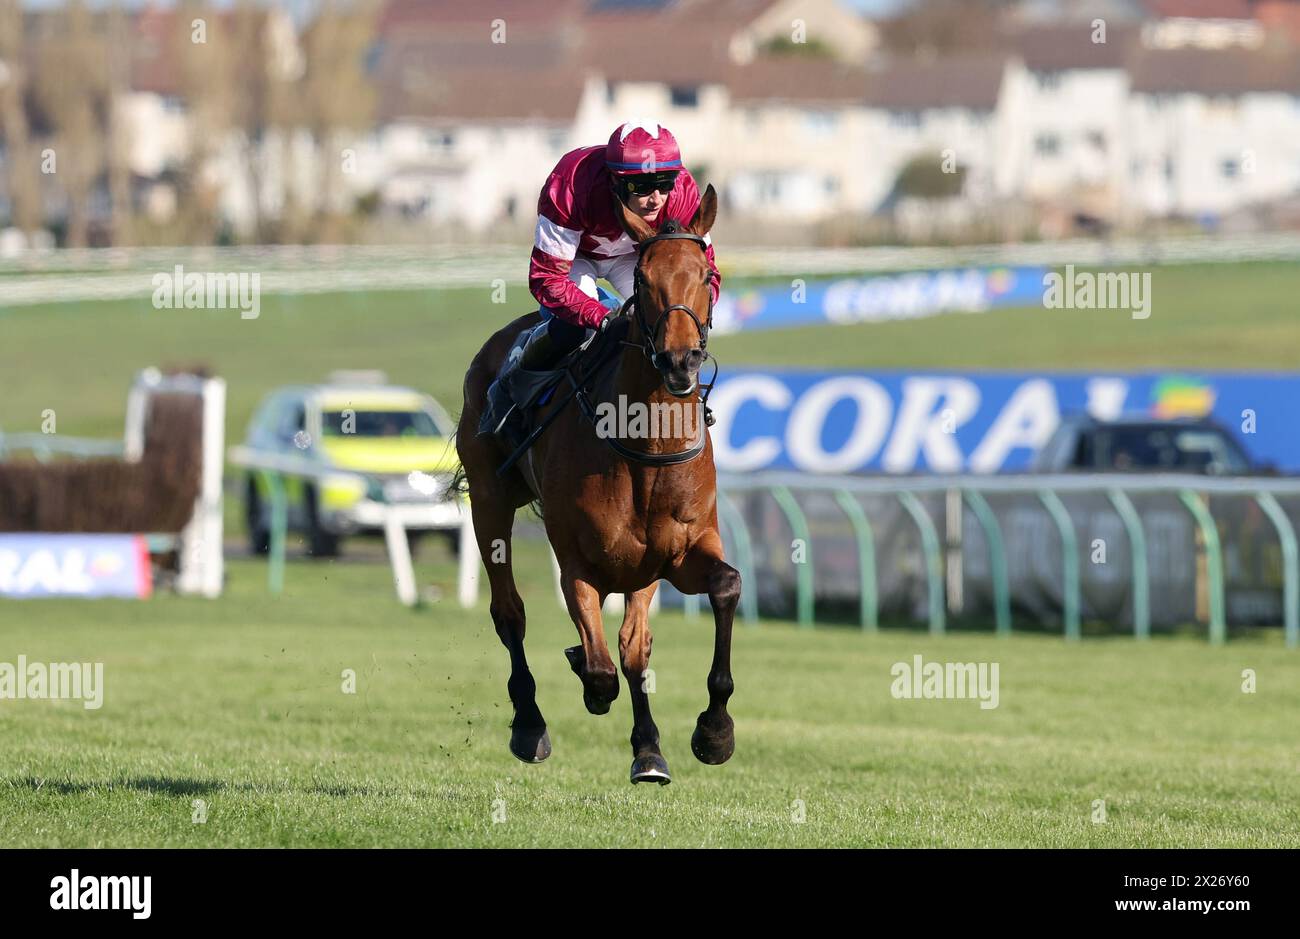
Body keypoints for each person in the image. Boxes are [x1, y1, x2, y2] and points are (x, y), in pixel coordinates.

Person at [480, 121, 721, 436]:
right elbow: (546, 280)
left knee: (667, 320)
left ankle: (685, 402)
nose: (656, 198)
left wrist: (689, 313)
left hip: (634, 258)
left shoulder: (684, 194)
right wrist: (602, 317)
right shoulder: (571, 185)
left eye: (664, 183)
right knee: (578, 329)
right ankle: (513, 385)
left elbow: (707, 274)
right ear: (615, 181)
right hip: (575, 256)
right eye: (642, 187)